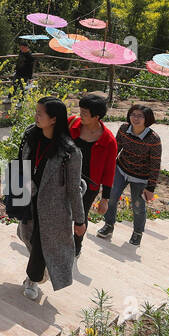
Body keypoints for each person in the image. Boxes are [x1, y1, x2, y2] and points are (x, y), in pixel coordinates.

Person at [19, 97, 87, 302]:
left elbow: (74, 189)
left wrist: (80, 220)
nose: (36, 116)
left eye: (40, 113)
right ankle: (41, 268)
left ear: (54, 119)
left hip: (53, 208)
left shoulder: (70, 152)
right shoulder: (31, 136)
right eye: (36, 112)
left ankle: (33, 279)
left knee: (41, 243)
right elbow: (20, 163)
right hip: (29, 198)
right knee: (26, 235)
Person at [96, 104, 162, 246]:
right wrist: (106, 168)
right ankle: (108, 225)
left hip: (141, 177)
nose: (135, 118)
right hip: (121, 169)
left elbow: (155, 164)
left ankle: (137, 233)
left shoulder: (153, 139)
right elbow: (115, 149)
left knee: (138, 206)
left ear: (147, 119)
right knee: (111, 198)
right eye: (133, 114)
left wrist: (150, 187)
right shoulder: (124, 129)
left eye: (140, 116)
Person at [68, 92, 115, 257]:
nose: (80, 115)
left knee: (80, 216)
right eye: (80, 111)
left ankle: (76, 246)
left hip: (89, 185)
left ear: (96, 117)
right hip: (65, 177)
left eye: (84, 113)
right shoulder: (72, 123)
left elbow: (109, 170)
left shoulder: (108, 140)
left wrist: (105, 198)